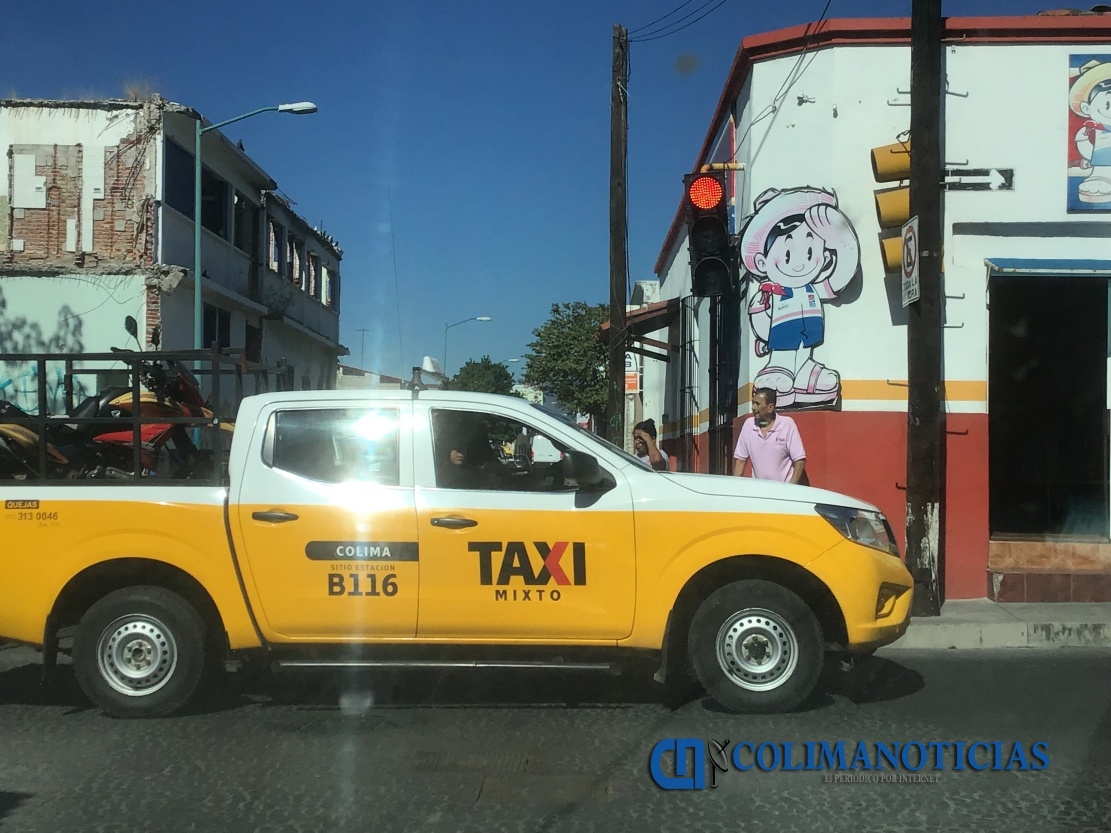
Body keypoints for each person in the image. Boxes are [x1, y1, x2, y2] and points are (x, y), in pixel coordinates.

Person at [732, 387, 807, 484]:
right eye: (753, 403)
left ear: (770, 408)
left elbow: (800, 460)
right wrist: (735, 488)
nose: (753, 407)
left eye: (757, 404)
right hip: (760, 492)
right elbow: (740, 461)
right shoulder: (748, 425)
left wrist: (790, 489)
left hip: (783, 492)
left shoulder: (787, 424)